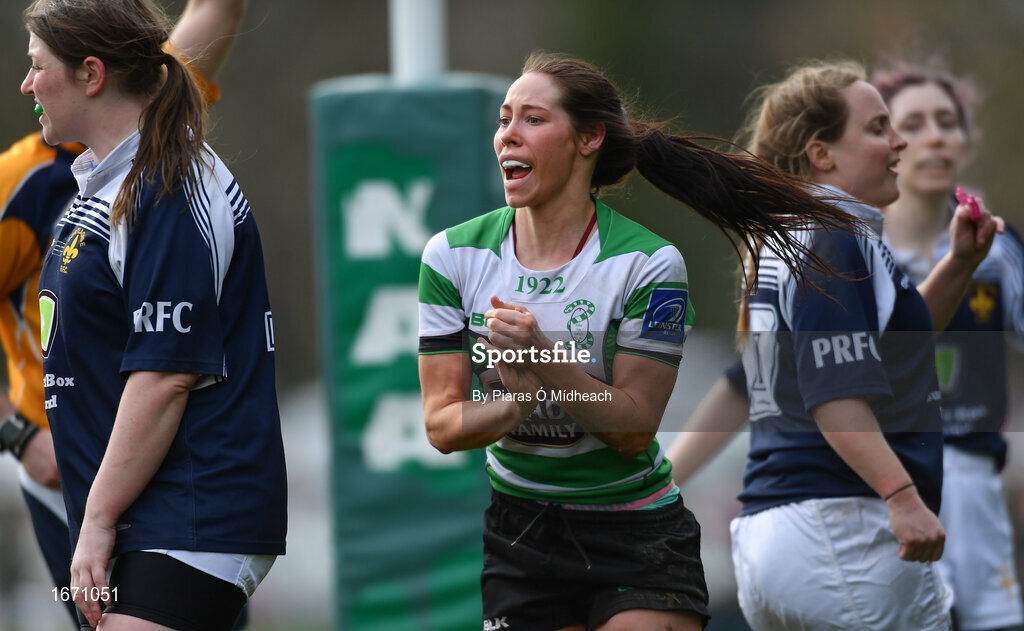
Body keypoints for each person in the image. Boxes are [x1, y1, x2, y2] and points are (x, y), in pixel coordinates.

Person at [417, 51, 863, 631]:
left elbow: (631, 428)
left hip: (634, 532)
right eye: (504, 119)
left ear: (589, 138)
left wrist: (544, 361)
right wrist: (516, 401)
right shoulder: (452, 257)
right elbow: (442, 426)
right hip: (521, 532)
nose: (507, 136)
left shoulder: (648, 265)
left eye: (532, 119)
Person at [668, 60, 1002, 630]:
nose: (899, 141)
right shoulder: (833, 236)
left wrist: (958, 264)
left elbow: (896, 338)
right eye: (878, 128)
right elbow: (835, 397)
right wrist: (902, 495)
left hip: (776, 533)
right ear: (822, 155)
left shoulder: (790, 236)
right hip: (842, 528)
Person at [21, 0, 286, 628]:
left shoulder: (167, 185)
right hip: (142, 517)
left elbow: (166, 377)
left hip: (189, 513)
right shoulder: (107, 183)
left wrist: (97, 523)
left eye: (37, 66)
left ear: (92, 74)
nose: (27, 84)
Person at [873, 58, 1024, 631]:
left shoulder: (999, 252)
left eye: (948, 120)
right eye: (914, 122)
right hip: (886, 488)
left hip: (974, 487)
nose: (935, 134)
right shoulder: (856, 255)